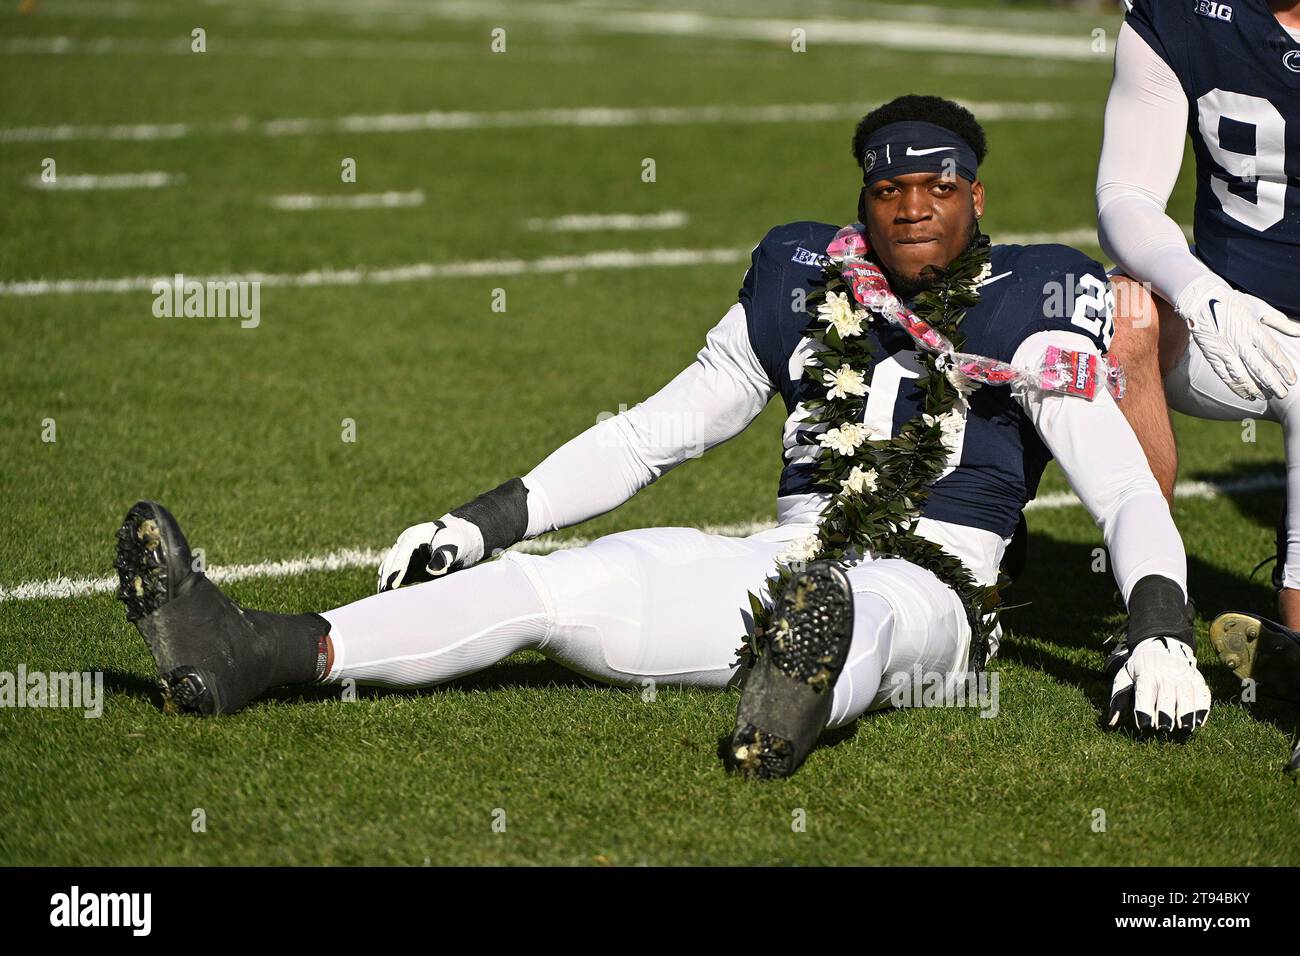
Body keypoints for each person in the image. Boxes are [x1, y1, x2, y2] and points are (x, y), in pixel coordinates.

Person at [114, 95, 1209, 781]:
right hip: (789, 555)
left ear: (978, 197)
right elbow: (653, 432)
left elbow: (1116, 487)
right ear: (863, 199)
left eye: (938, 185)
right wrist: (482, 518)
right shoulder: (802, 272)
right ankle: (258, 648)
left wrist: (1157, 626)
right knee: (563, 586)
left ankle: (797, 697)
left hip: (938, 587)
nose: (913, 205)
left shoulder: (1033, 291)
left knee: (869, 608)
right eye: (890, 187)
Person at [1096, 0, 1300, 737]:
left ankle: (1295, 646)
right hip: (1231, 327)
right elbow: (1126, 193)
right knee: (1119, 311)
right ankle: (1156, 623)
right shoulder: (1183, 14)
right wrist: (1199, 290)